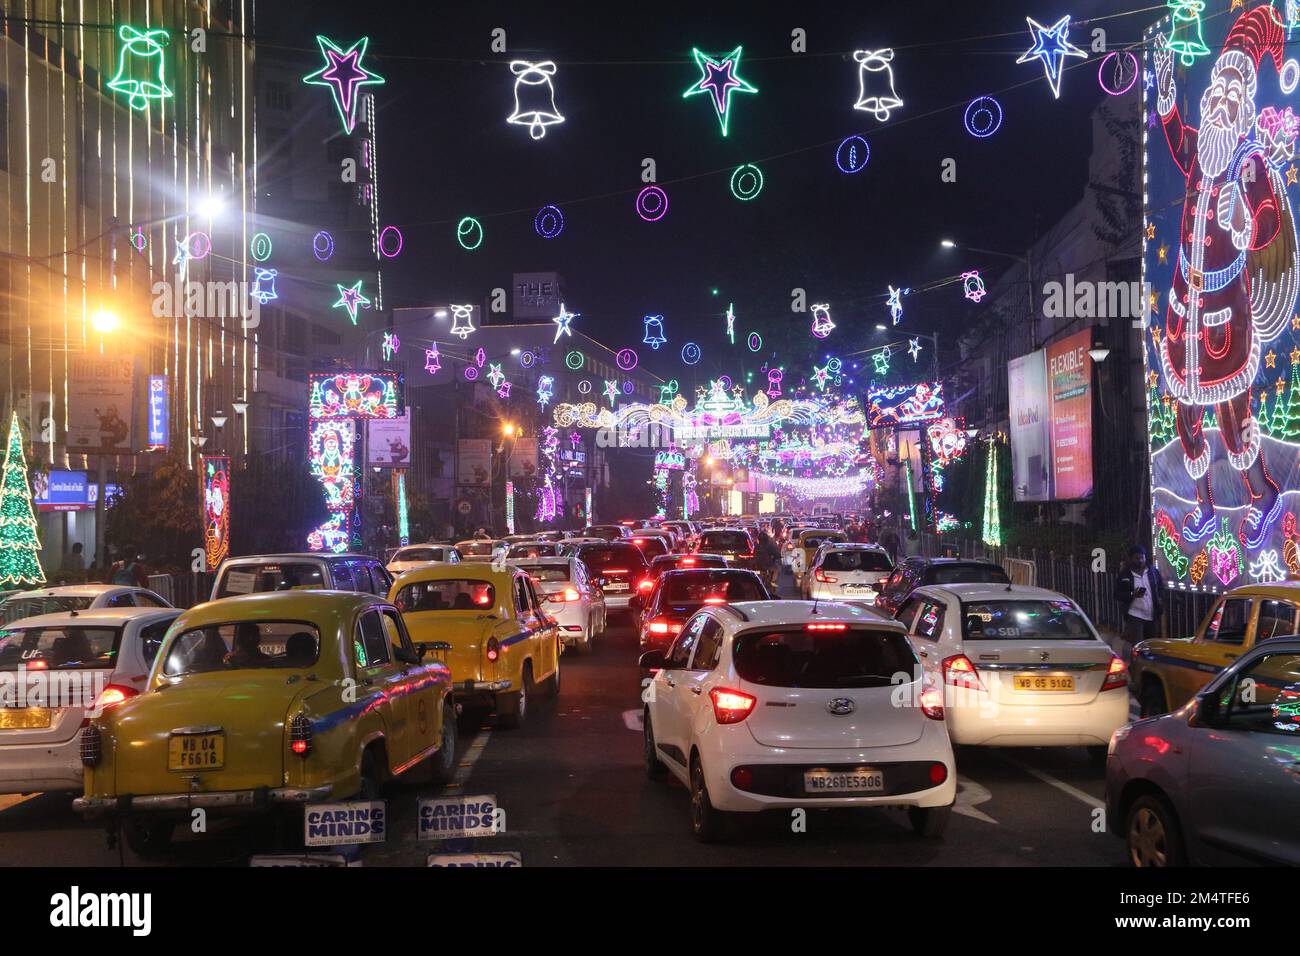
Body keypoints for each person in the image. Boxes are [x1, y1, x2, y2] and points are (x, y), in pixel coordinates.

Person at [1115, 545, 1164, 645]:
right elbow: (1117, 594)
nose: (1140, 560)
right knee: (1138, 645)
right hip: (1135, 615)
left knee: (1152, 645)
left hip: (1152, 614)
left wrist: (1160, 601)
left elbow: (1160, 588)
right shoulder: (1125, 574)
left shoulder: (1153, 572)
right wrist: (1133, 594)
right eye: (1137, 558)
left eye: (1142, 557)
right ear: (1131, 558)